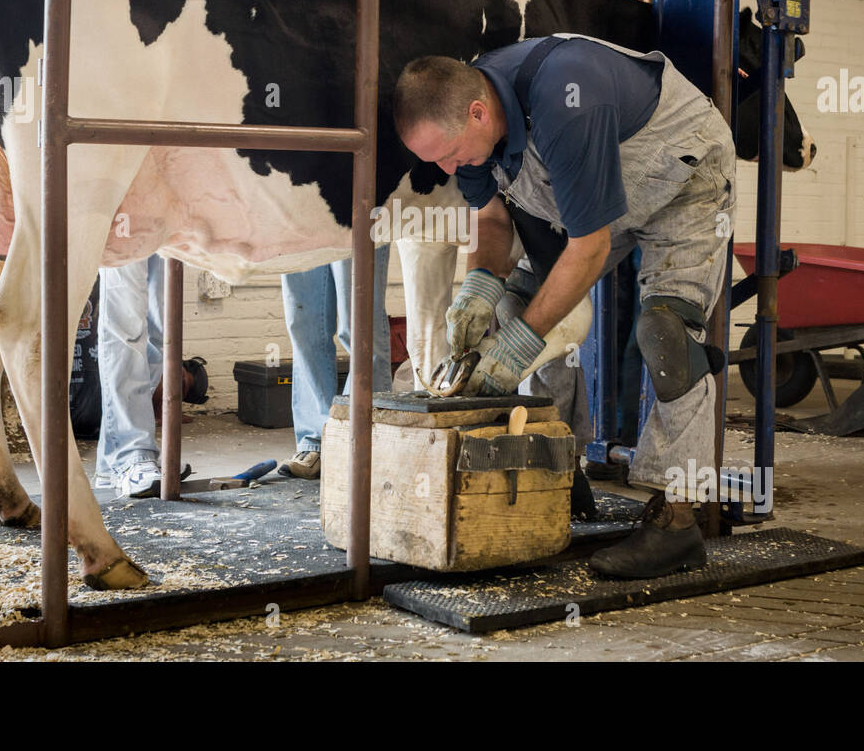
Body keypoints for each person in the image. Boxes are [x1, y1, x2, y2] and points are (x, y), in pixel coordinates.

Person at [393, 34, 735, 579]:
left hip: (682, 175)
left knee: (667, 337)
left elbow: (590, 248)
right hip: (597, 187)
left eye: (452, 154)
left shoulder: (566, 100)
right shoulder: (470, 110)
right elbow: (491, 217)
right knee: (513, 308)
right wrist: (479, 284)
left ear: (478, 113)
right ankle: (555, 467)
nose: (452, 168)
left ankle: (679, 519)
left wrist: (522, 341)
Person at [278, 247, 393, 479]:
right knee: (304, 323)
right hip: (299, 214)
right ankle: (314, 442)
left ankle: (361, 438)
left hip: (355, 213)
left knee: (360, 324)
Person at [93, 254, 168, 498]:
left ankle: (109, 464)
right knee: (126, 327)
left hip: (167, 216)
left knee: (160, 330)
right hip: (119, 217)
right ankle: (131, 453)